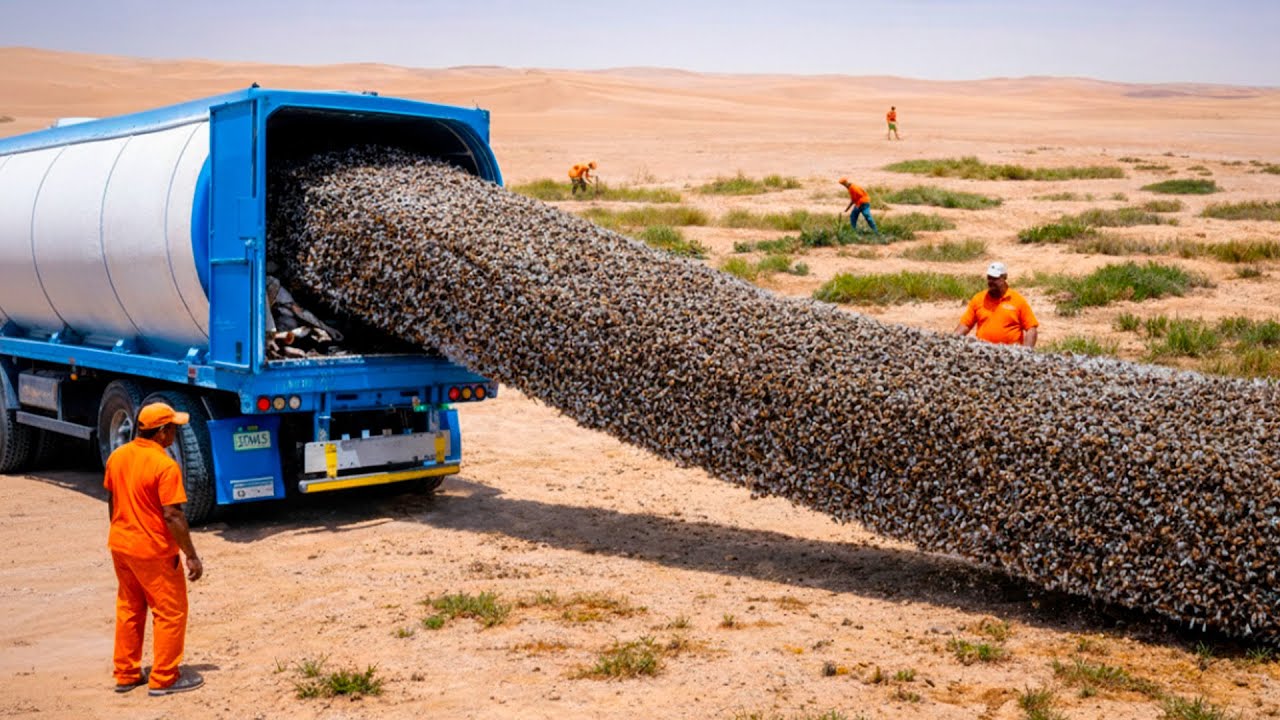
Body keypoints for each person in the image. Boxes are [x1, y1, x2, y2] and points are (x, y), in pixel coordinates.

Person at [104, 402, 205, 696]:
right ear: (162, 432)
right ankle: (164, 677)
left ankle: (126, 674)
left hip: (122, 546)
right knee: (170, 612)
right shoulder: (164, 465)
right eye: (173, 427)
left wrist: (122, 531)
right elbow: (172, 514)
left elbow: (113, 500)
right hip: (154, 551)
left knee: (130, 609)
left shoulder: (118, 456)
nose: (175, 432)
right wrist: (191, 555)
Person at [954, 262, 1039, 347]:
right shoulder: (978, 299)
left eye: (995, 278)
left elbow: (1031, 329)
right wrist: (951, 342)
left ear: (1004, 277)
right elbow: (965, 325)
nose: (991, 282)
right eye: (989, 278)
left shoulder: (1018, 301)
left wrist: (1026, 352)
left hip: (1010, 354)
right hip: (983, 352)